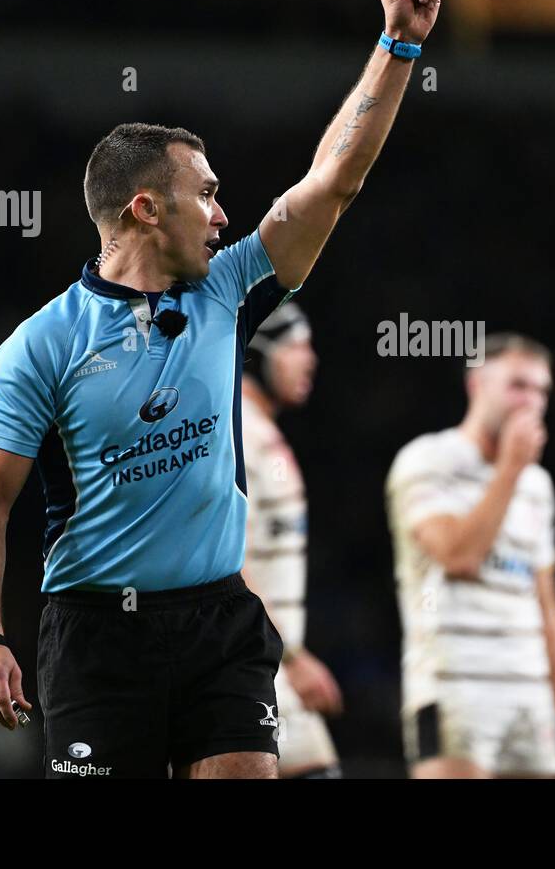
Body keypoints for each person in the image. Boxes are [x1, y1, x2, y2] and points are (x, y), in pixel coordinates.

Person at [0, 0, 445, 778]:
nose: (224, 215)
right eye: (207, 195)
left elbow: (334, 183)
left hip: (220, 622)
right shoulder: (42, 345)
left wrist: (399, 44)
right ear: (146, 209)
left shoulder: (227, 289)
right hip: (97, 634)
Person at [385, 334, 555, 778]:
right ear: (476, 385)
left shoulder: (538, 485)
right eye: (518, 386)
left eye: (542, 390)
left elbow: (547, 605)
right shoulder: (427, 460)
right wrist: (510, 468)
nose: (532, 402)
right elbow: (459, 556)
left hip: (531, 695)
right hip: (455, 688)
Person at [241, 301, 343, 778]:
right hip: (251, 659)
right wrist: (294, 658)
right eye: (296, 346)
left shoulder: (260, 432)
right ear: (257, 355)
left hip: (268, 656)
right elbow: (228, 559)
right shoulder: (236, 432)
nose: (311, 359)